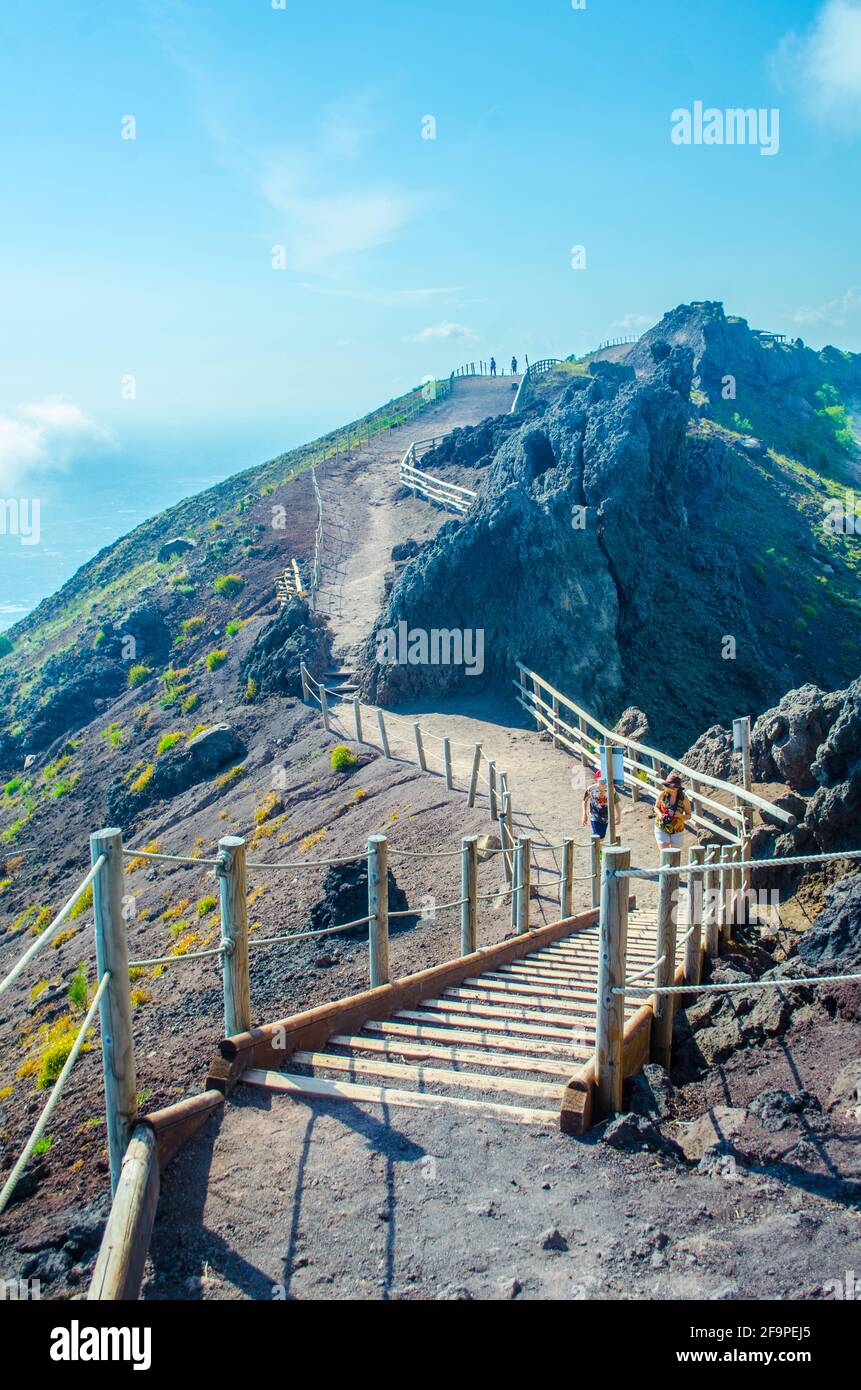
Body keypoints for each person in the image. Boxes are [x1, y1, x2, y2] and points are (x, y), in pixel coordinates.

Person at [654, 772, 692, 850]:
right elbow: (656, 807)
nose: (665, 787)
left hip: (677, 830)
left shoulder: (684, 798)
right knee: (665, 853)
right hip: (662, 827)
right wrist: (661, 815)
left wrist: (679, 815)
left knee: (675, 856)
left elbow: (689, 816)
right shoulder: (662, 794)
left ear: (676, 788)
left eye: (668, 785)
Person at [582, 769, 621, 841]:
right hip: (594, 816)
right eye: (601, 781)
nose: (603, 783)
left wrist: (618, 816)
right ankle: (596, 851)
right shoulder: (591, 789)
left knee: (602, 837)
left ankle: (599, 851)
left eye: (604, 781)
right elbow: (584, 800)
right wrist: (584, 814)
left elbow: (617, 803)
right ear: (597, 780)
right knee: (597, 836)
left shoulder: (611, 790)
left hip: (606, 817)